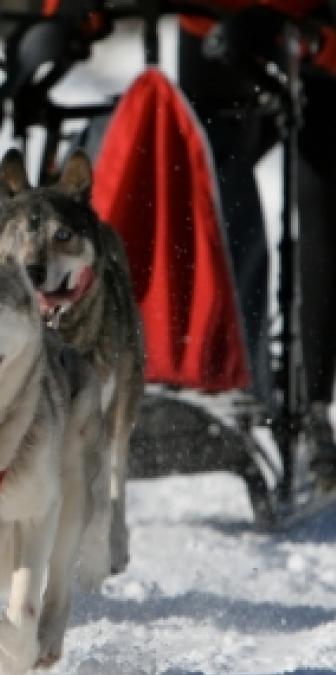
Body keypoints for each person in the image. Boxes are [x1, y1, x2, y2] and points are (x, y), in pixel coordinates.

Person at [178, 1, 336, 485]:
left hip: (306, 31)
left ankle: (308, 406)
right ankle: (224, 360)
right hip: (206, 26)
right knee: (208, 177)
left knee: (321, 193)